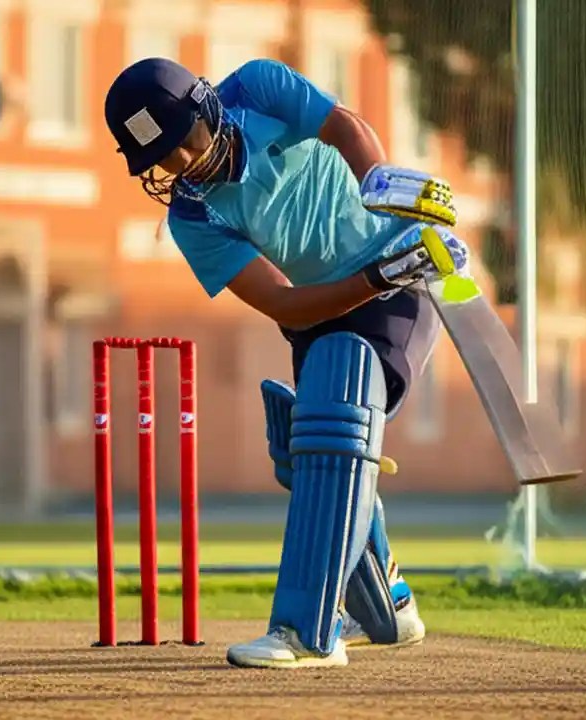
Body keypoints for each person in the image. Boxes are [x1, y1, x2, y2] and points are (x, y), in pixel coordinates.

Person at [103, 57, 471, 669]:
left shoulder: (257, 88)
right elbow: (282, 303)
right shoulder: (192, 215)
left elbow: (344, 126)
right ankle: (389, 605)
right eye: (161, 161)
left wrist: (378, 183)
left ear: (204, 108)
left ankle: (306, 632)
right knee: (308, 453)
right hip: (325, 305)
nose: (181, 165)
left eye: (181, 144)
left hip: (403, 268)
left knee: (334, 413)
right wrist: (373, 279)